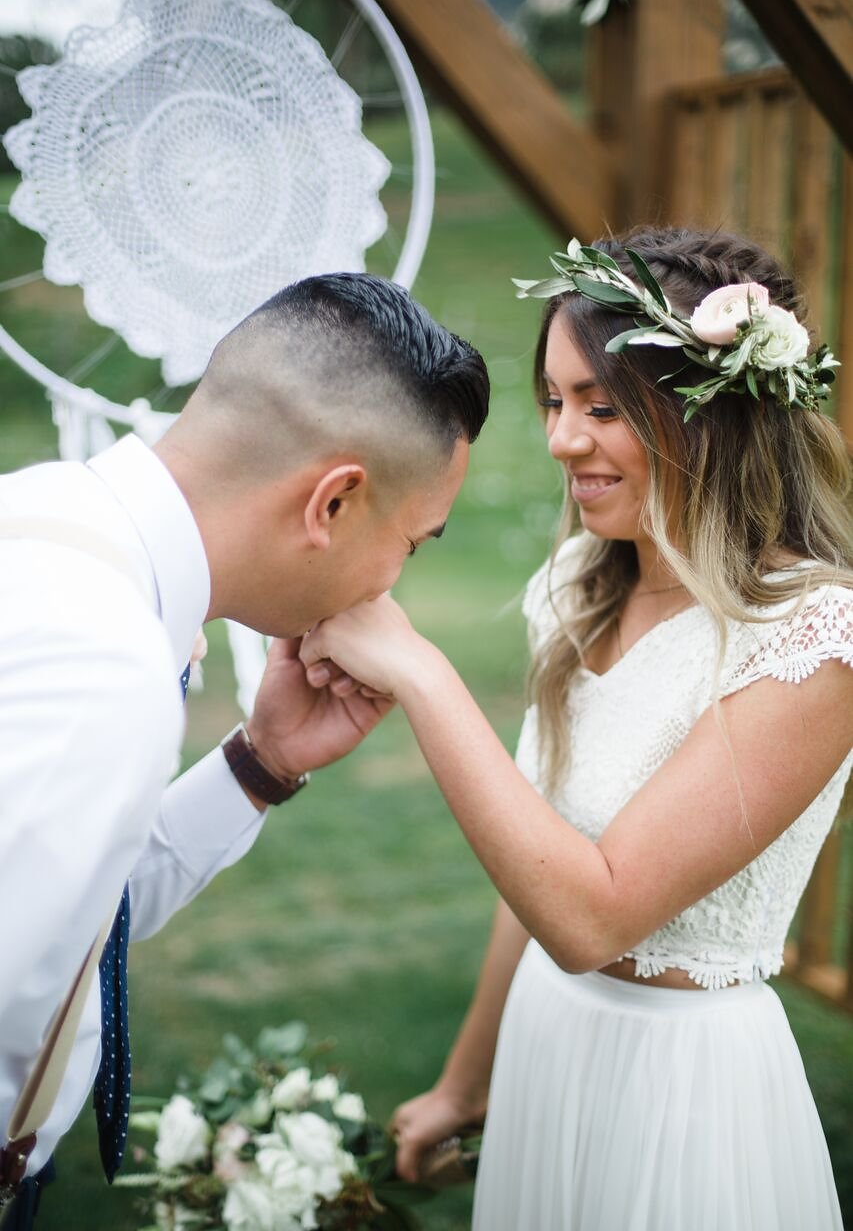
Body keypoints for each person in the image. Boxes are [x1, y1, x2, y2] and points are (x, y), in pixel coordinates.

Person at [299, 229, 853, 1230]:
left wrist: (422, 673)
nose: (561, 439)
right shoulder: (573, 593)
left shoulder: (810, 639)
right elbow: (539, 867)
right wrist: (467, 1082)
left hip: (683, 1088)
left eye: (602, 407)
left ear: (715, 410)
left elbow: (593, 914)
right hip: (548, 1041)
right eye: (554, 401)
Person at [0, 272, 489, 1221]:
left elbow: (69, 922)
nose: (393, 582)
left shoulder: (46, 514)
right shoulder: (101, 658)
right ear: (333, 502)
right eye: (412, 544)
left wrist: (260, 763)